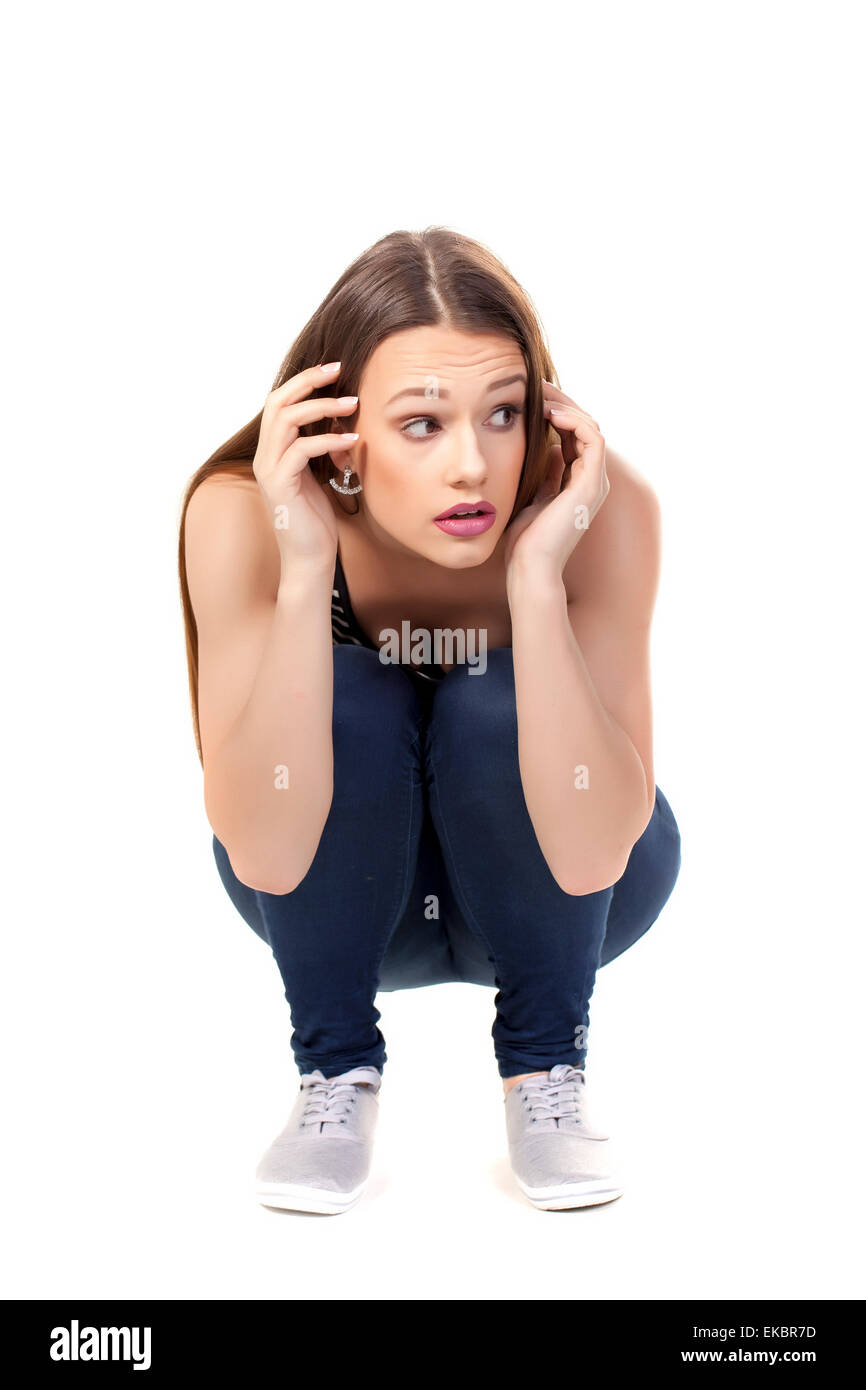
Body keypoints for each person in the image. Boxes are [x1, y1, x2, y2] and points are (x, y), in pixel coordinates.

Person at [178, 226, 682, 1216]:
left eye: (502, 414)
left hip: (574, 900)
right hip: (343, 911)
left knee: (493, 694)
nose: (472, 468)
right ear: (338, 429)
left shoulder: (598, 506)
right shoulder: (243, 512)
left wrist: (535, 580)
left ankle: (546, 1072)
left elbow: (593, 854)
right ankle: (332, 1075)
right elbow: (264, 851)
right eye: (420, 424)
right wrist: (301, 568)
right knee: (350, 690)